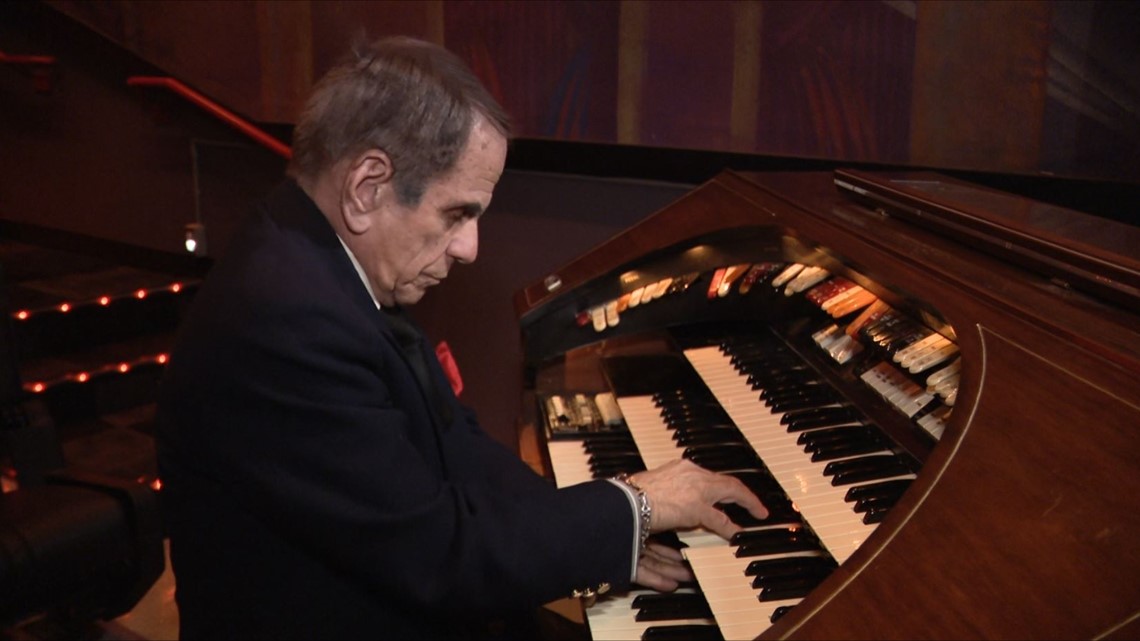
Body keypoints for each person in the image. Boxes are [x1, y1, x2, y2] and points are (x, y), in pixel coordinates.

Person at [155, 35, 768, 640]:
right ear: (367, 187)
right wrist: (636, 504)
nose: (470, 248)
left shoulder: (322, 258)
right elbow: (437, 556)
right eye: (458, 213)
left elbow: (455, 440)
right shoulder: (285, 318)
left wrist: (600, 535)